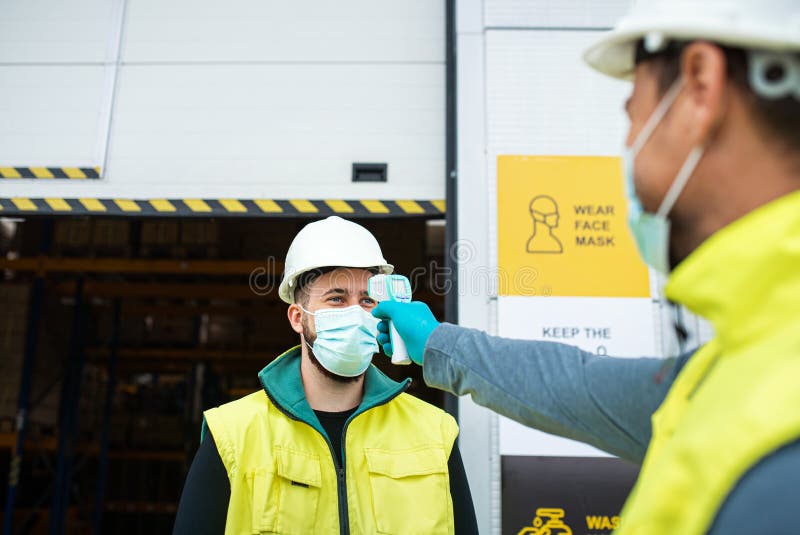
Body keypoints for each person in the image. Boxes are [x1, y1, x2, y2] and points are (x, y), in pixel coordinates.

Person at [372, 1, 800, 534]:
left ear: (699, 87)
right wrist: (437, 342)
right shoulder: (740, 363)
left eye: (633, 116)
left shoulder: (778, 443)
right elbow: (577, 385)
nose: (629, 147)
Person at [173, 216, 477, 534]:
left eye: (367, 301)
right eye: (336, 299)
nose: (356, 313)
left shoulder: (435, 433)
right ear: (297, 317)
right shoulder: (232, 436)